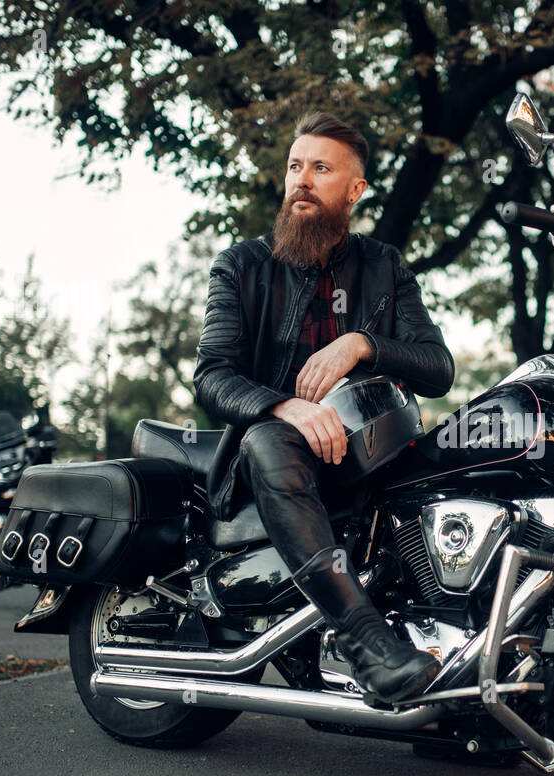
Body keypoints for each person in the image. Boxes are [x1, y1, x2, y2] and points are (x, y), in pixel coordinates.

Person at [194, 111, 455, 704]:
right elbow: (212, 375)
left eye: (320, 168)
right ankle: (367, 646)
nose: (301, 180)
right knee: (269, 440)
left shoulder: (384, 266)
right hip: (268, 455)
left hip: (372, 449)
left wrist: (362, 343)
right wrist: (284, 407)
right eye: (294, 167)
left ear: (355, 190)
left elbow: (438, 368)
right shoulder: (242, 265)